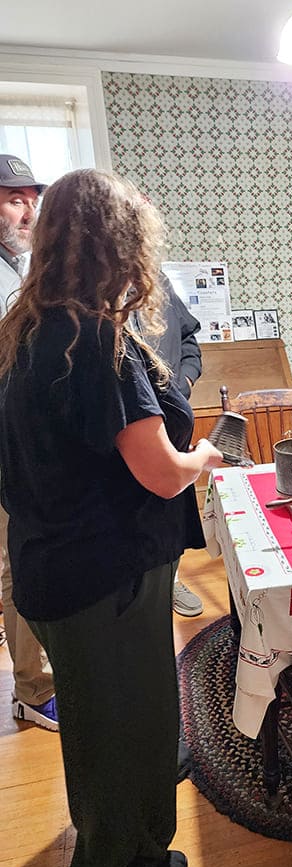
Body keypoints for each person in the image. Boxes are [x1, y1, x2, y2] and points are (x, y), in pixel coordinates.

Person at [0, 168, 223, 867]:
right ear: (114, 244)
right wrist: (205, 458)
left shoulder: (25, 332)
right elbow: (160, 474)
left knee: (102, 720)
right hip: (103, 577)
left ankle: (116, 832)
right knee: (116, 725)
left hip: (53, 569)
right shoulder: (99, 342)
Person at [0, 153, 57, 731]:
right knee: (17, 562)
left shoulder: (21, 267)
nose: (27, 211)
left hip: (28, 446)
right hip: (7, 452)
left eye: (31, 200)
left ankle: (44, 671)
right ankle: (33, 688)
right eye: (14, 199)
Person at [131, 272, 205, 617]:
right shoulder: (94, 294)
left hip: (172, 427)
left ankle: (171, 581)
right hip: (129, 432)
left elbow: (189, 338)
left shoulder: (157, 281)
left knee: (172, 514)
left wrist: (185, 381)